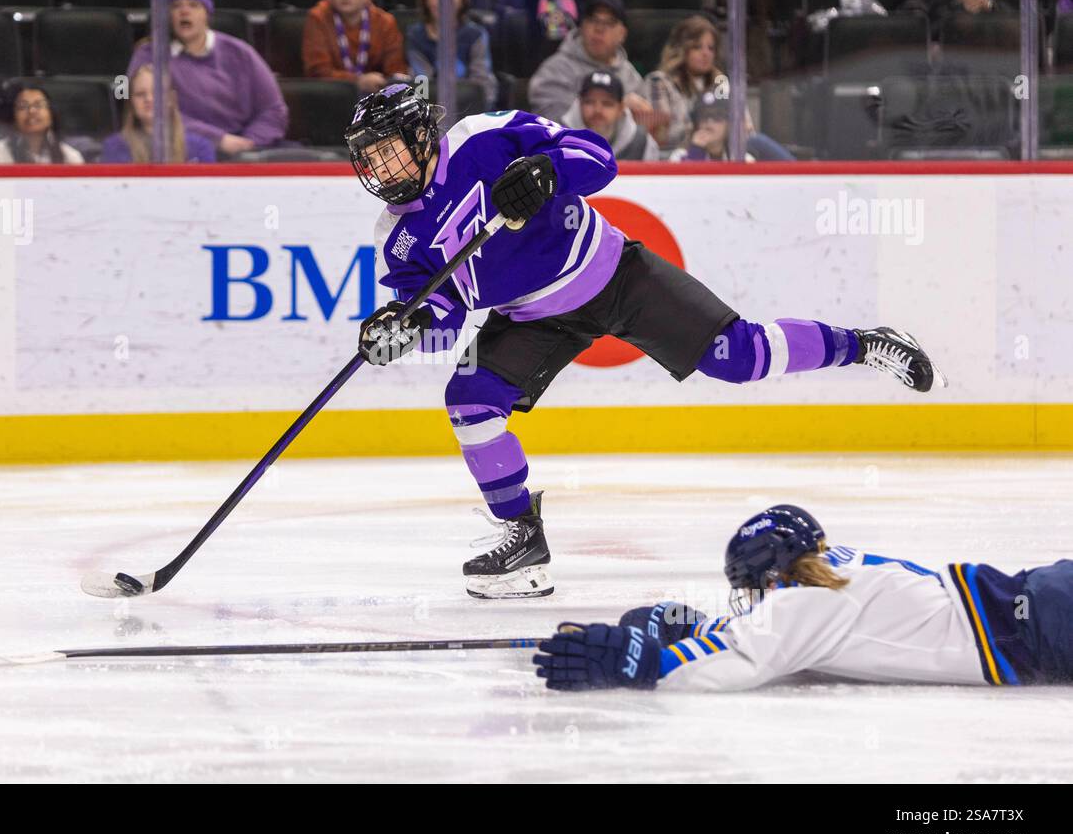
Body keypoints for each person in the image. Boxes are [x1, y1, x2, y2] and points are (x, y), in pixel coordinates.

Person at [344, 84, 945, 599]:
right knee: (470, 401)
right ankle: (523, 539)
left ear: (422, 136)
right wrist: (406, 329)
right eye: (369, 160)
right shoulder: (396, 234)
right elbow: (443, 315)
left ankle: (865, 344)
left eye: (388, 152)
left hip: (613, 274)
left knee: (743, 357)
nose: (380, 170)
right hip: (532, 317)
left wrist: (551, 170)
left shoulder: (485, 136)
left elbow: (598, 157)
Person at [533, 504, 1073, 690]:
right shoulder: (838, 572)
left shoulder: (806, 603)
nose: (754, 601)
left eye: (752, 590)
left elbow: (747, 656)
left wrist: (642, 660)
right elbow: (803, 639)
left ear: (772, 577)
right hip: (1043, 598)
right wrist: (701, 627)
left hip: (1048, 627)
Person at [126, 0, 287, 158]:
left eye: (193, 5)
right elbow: (149, 111)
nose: (184, 11)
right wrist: (218, 140)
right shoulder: (150, 55)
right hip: (178, 152)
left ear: (207, 13)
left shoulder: (240, 53)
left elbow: (273, 110)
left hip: (246, 152)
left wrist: (248, 145)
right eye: (176, 6)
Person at [645, 15, 792, 160]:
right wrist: (707, 129)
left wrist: (723, 132)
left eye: (711, 48)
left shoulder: (721, 82)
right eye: (697, 47)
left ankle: (799, 176)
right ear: (682, 49)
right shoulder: (659, 81)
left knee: (756, 142)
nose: (705, 53)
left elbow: (746, 127)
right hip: (679, 156)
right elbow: (662, 135)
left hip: (723, 153)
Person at [528, 0, 653, 129]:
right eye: (593, 20)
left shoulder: (630, 77)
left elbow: (645, 130)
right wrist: (619, 109)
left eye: (609, 23)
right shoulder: (555, 70)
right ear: (582, 26)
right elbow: (549, 125)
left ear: (622, 34)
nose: (599, 29)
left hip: (621, 150)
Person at [302, 0, 409, 94]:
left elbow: (396, 72)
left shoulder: (385, 22)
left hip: (378, 97)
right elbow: (317, 72)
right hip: (330, 97)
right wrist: (357, 81)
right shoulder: (318, 18)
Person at [406, 0, 497, 110]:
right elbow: (422, 83)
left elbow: (482, 84)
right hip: (431, 112)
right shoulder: (416, 35)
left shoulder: (476, 35)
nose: (442, 1)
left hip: (470, 111)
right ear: (425, 0)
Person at [102, 64, 216, 164]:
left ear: (171, 99)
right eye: (140, 94)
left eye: (157, 92)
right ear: (131, 102)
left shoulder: (200, 147)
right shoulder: (114, 146)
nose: (149, 99)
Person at [560, 70, 658, 161]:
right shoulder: (557, 139)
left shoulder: (642, 143)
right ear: (579, 104)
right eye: (589, 102)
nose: (597, 110)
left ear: (621, 108)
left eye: (607, 104)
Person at [0, 82, 84, 164]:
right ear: (13, 117)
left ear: (51, 113)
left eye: (38, 105)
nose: (31, 111)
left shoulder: (70, 158)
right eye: (23, 106)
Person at [668, 91, 752, 162]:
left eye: (717, 116)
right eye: (704, 116)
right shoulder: (679, 156)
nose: (709, 122)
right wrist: (695, 152)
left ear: (729, 123)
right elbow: (683, 180)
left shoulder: (743, 159)